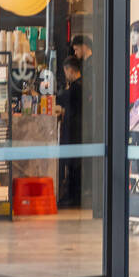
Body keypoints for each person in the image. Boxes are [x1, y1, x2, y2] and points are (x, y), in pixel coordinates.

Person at [55, 55, 84, 206]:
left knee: (73, 164)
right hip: (75, 128)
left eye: (65, 71)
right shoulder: (79, 85)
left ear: (70, 70)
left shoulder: (76, 87)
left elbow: (62, 99)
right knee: (72, 163)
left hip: (74, 129)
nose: (65, 75)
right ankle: (72, 195)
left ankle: (73, 197)